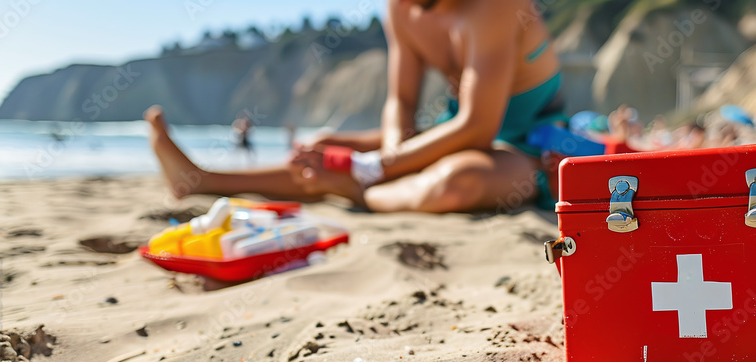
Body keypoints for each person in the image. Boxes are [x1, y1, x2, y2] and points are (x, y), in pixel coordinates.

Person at [147, 0, 565, 212]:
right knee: (323, 145)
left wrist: (374, 168)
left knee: (458, 181)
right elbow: (400, 101)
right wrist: (394, 150)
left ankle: (359, 194)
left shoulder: (495, 7)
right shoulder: (402, 9)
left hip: (528, 143)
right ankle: (202, 180)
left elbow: (478, 127)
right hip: (453, 126)